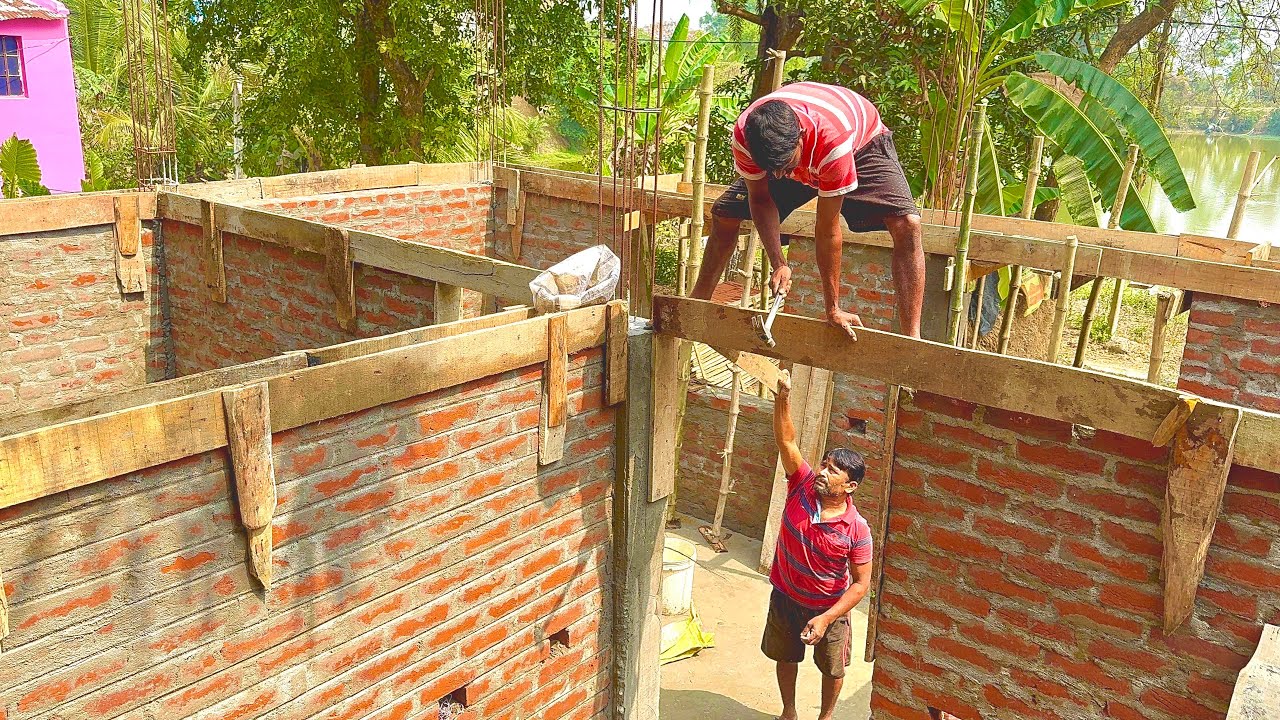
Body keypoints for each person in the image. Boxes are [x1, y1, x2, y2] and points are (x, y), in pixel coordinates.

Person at [690, 81, 925, 338]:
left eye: (786, 165)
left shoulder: (833, 143)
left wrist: (832, 309)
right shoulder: (746, 139)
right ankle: (697, 302)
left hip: (860, 143)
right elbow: (759, 199)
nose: (781, 175)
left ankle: (911, 337)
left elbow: (827, 229)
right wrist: (779, 262)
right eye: (772, 168)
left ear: (801, 135)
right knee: (725, 214)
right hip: (802, 152)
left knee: (908, 224)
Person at [764, 369, 872, 720]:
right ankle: (789, 712)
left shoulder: (857, 530)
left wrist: (826, 618)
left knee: (833, 669)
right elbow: (787, 442)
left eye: (834, 470)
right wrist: (782, 398)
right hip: (786, 597)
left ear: (850, 486)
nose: (823, 472)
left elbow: (861, 585)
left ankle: (825, 717)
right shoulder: (802, 486)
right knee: (786, 656)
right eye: (824, 464)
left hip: (830, 609)